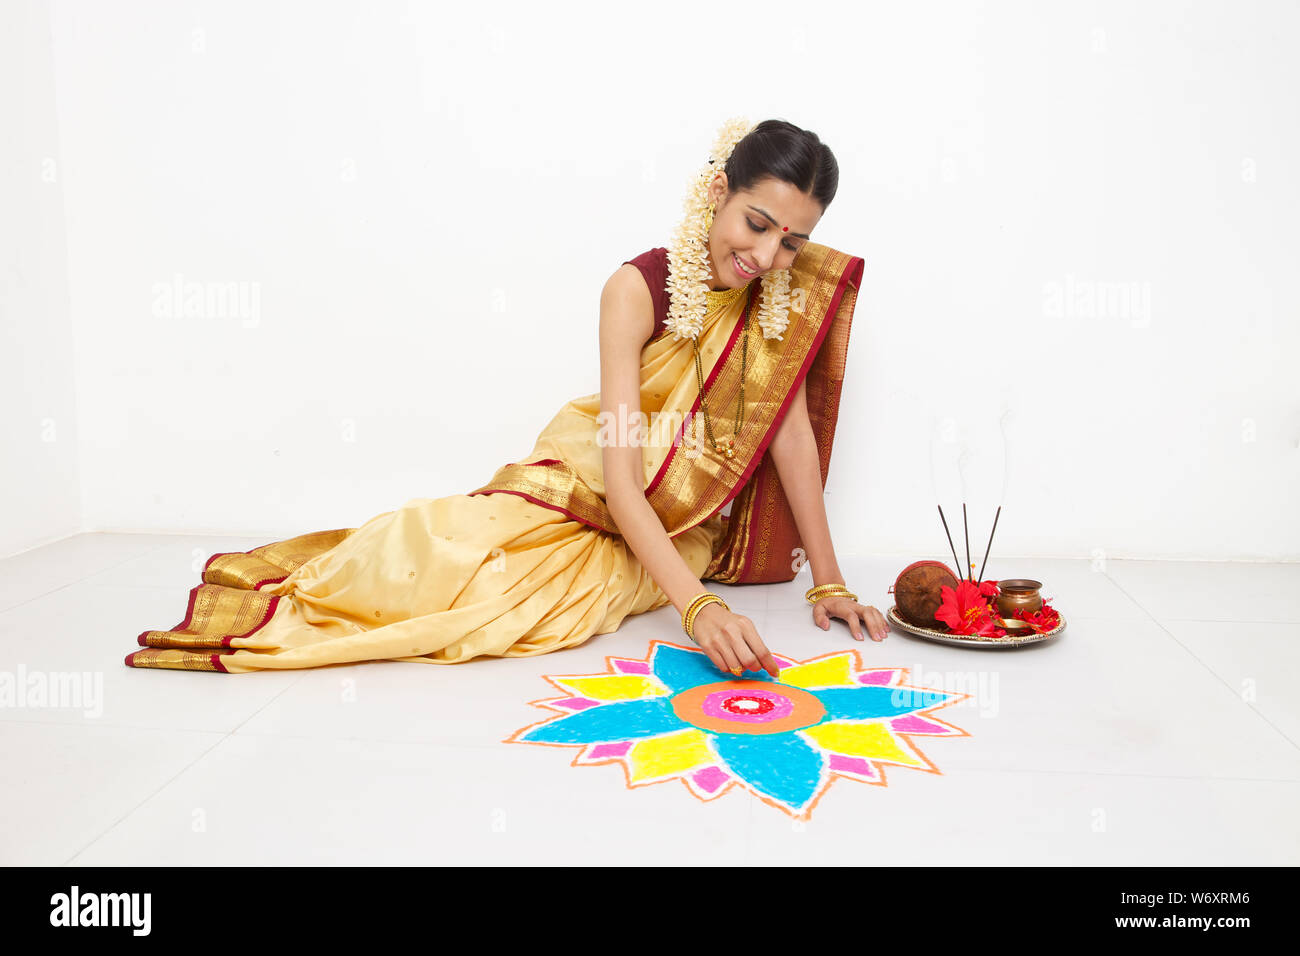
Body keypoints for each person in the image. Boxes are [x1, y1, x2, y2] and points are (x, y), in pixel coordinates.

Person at [123, 117, 884, 677]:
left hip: (675, 528)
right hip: (587, 489)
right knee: (452, 563)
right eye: (756, 223)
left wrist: (829, 581)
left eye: (791, 241)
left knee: (533, 612)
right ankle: (301, 595)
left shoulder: (774, 306)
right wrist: (699, 609)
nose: (764, 256)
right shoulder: (635, 289)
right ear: (718, 191)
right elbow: (620, 480)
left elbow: (790, 437)